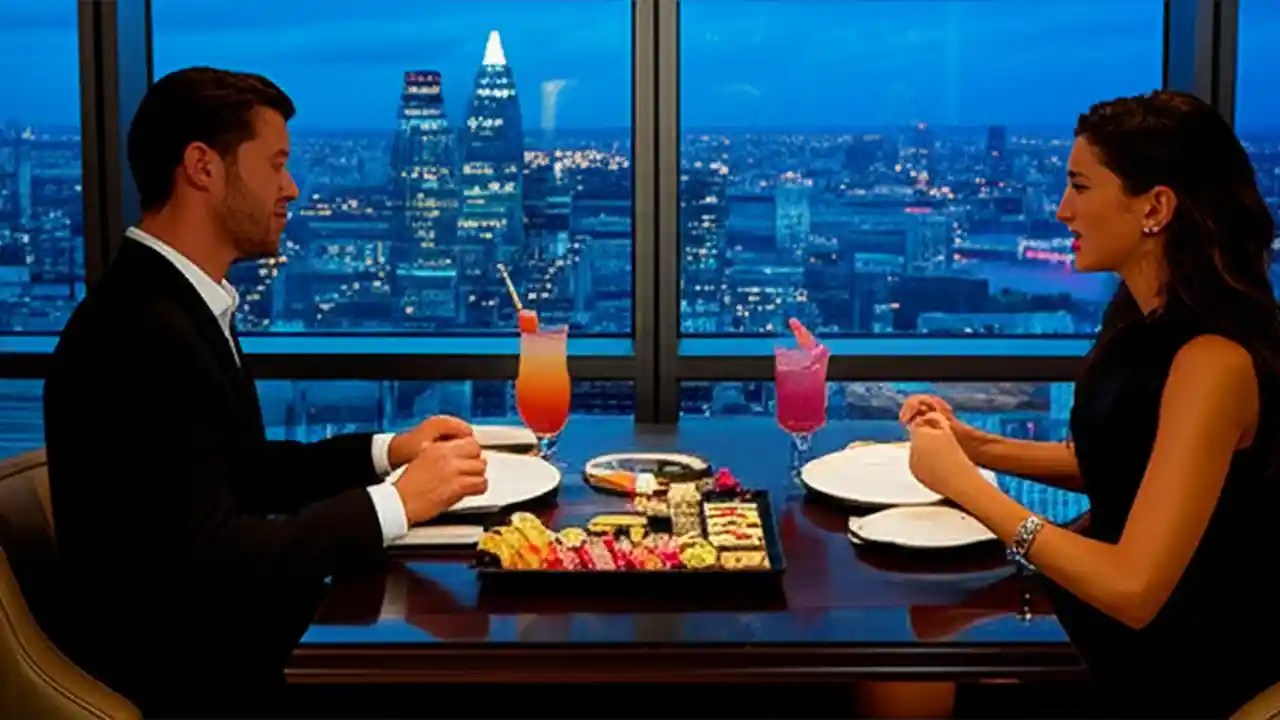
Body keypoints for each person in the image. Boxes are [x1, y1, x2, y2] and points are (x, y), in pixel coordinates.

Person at [43, 66, 490, 716]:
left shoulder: (171, 304)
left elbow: (245, 475)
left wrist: (390, 450)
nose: (293, 188)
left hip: (212, 655)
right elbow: (209, 560)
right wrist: (393, 506)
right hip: (198, 686)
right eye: (276, 164)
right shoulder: (141, 333)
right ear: (203, 167)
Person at [899, 89, 1280, 717]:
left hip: (1175, 672)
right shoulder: (1141, 315)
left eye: (1080, 187)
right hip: (1104, 632)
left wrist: (969, 487)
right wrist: (979, 444)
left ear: (1155, 206)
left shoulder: (1214, 361)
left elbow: (1134, 589)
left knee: (908, 674)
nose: (1061, 209)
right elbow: (1131, 460)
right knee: (909, 664)